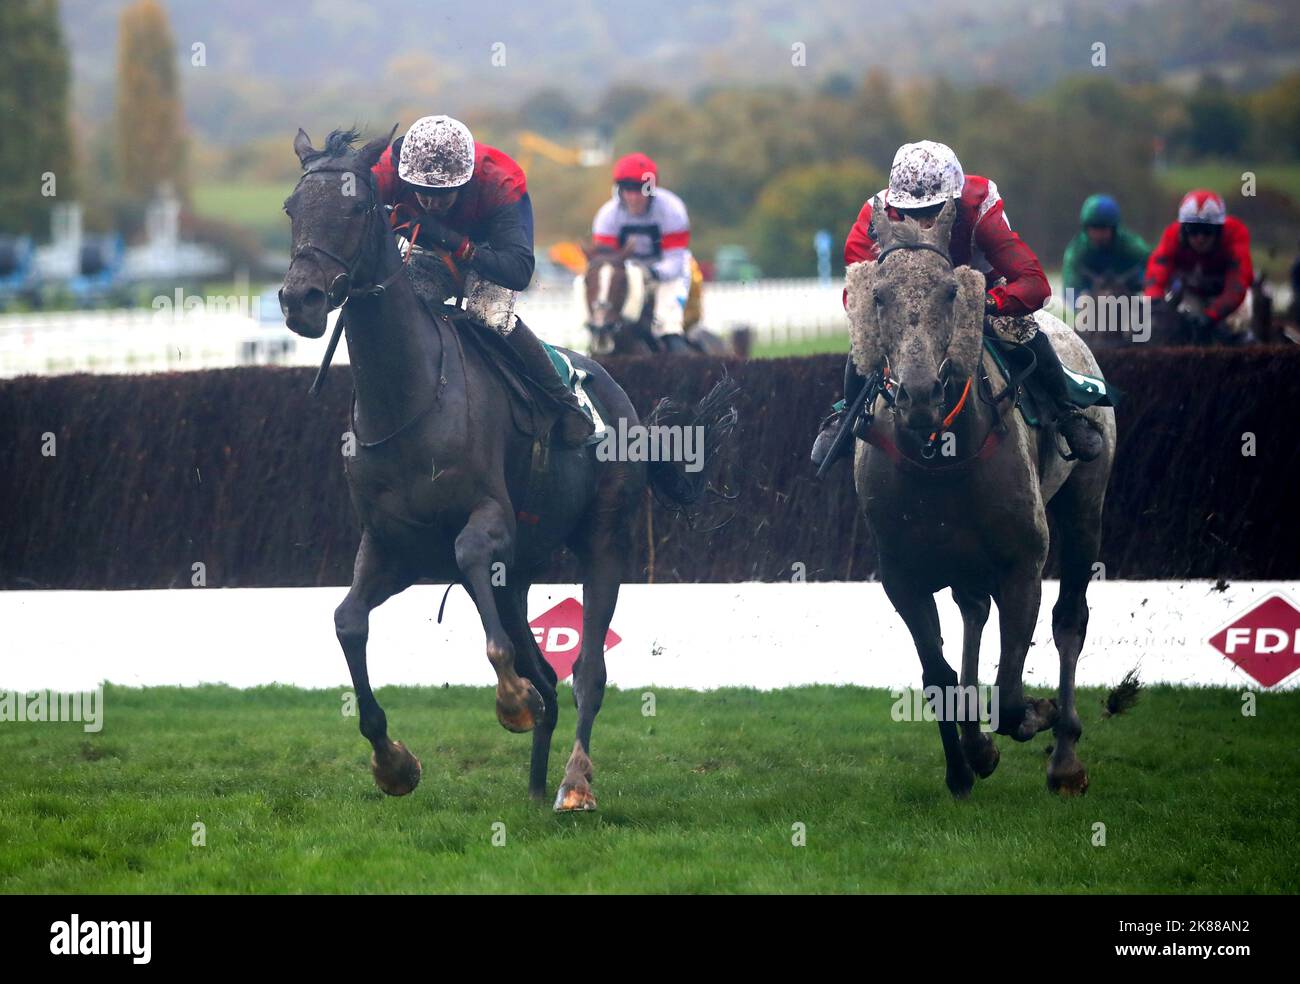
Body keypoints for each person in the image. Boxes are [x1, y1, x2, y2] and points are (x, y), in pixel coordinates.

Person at [811, 140, 1103, 469]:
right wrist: (886, 316)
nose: (923, 224)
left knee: (1021, 330)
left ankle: (1065, 413)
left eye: (933, 212)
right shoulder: (875, 218)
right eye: (915, 214)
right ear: (896, 205)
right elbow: (858, 297)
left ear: (954, 201)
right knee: (863, 342)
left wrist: (986, 303)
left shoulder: (980, 206)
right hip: (909, 303)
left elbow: (1035, 284)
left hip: (977, 288)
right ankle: (848, 417)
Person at [371, 114, 593, 446]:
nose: (430, 202)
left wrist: (453, 241)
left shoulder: (500, 183)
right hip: (430, 250)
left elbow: (518, 272)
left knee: (490, 316)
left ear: (465, 181)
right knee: (404, 304)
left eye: (442, 194)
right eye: (421, 192)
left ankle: (566, 402)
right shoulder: (389, 168)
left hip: (490, 252)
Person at [591, 152, 695, 351]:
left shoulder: (672, 210)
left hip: (665, 273)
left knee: (667, 316)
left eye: (639, 190)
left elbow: (675, 260)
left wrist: (651, 273)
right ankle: (596, 339)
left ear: (650, 189)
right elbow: (606, 262)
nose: (633, 197)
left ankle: (675, 344)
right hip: (628, 275)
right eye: (628, 190)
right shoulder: (607, 216)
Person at [1144, 189, 1253, 344]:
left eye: (1207, 231)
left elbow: (1238, 284)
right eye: (1193, 231)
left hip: (1231, 299)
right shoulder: (1172, 235)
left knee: (1237, 329)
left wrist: (1212, 314)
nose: (1200, 238)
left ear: (1219, 231)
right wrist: (1155, 299)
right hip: (1191, 295)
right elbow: (1157, 270)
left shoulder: (1236, 234)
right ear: (1183, 230)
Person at [1062, 193, 1151, 298]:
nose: (1098, 234)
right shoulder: (1076, 252)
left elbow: (1154, 264)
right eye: (1094, 228)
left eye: (1103, 228)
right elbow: (1069, 288)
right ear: (1086, 228)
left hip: (1129, 299)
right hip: (1091, 304)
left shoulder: (1132, 246)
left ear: (1113, 228)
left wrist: (1142, 281)